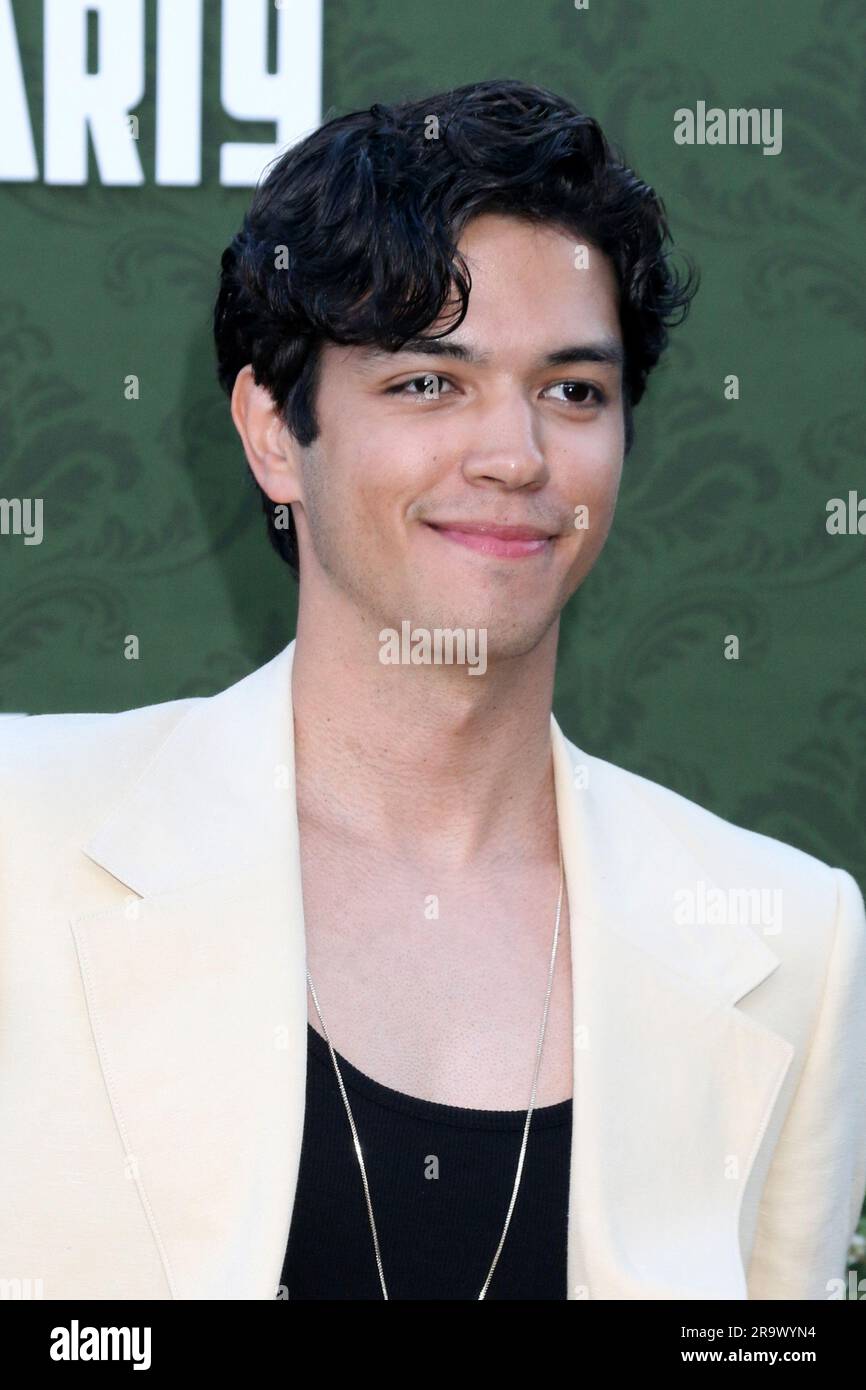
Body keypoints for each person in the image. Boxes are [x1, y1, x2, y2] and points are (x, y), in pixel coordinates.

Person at [1, 79, 864, 1302]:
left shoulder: (787, 942)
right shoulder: (19, 846)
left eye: (572, 389)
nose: (514, 455)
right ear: (271, 432)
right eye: (426, 383)